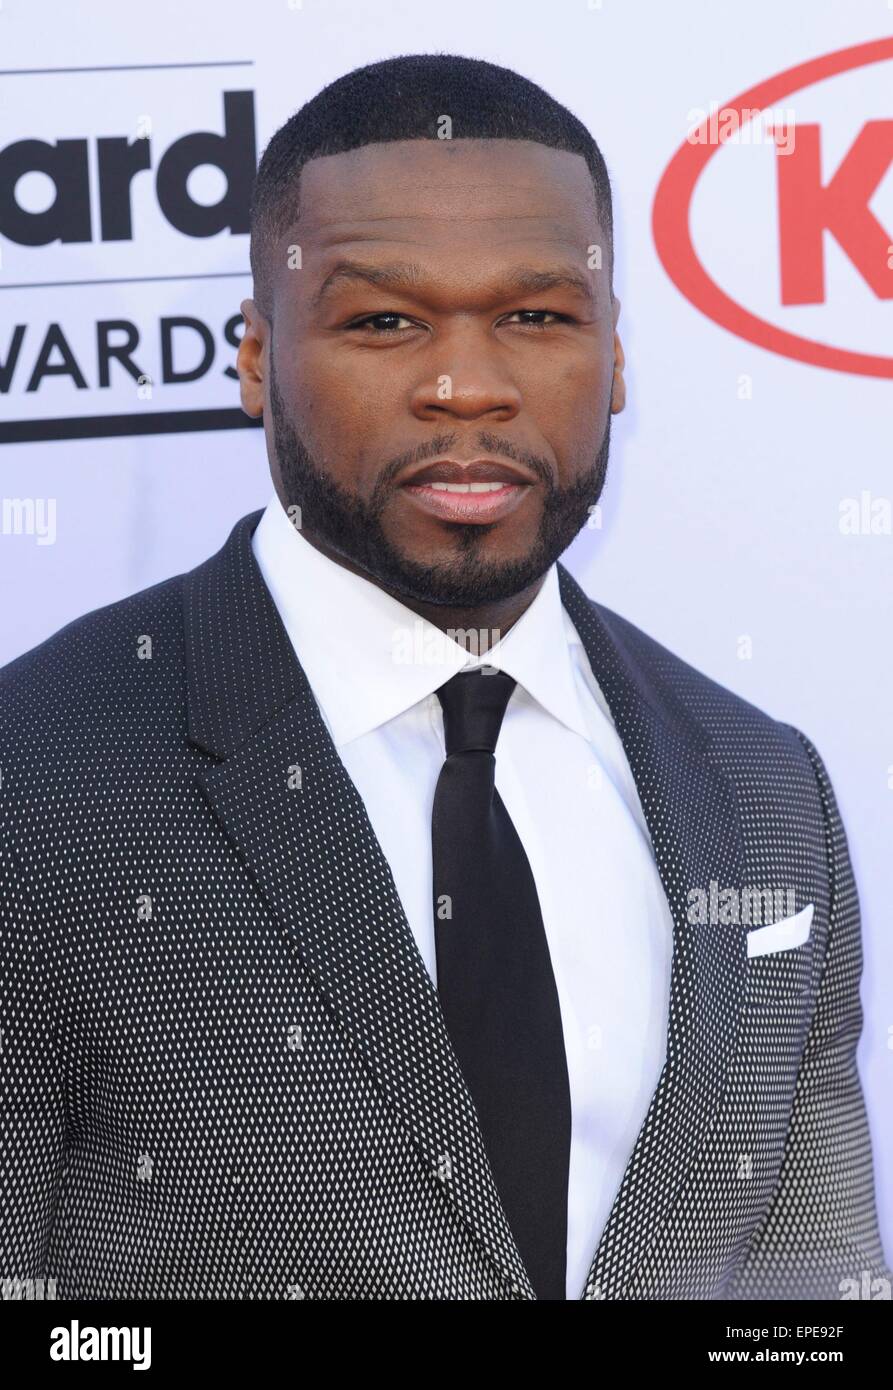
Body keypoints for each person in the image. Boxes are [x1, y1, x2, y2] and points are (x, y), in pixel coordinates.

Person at [0, 53, 888, 1302]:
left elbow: (806, 1295)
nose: (465, 385)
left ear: (615, 357)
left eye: (535, 316)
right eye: (382, 321)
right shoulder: (35, 773)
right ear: (256, 360)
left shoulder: (762, 782)